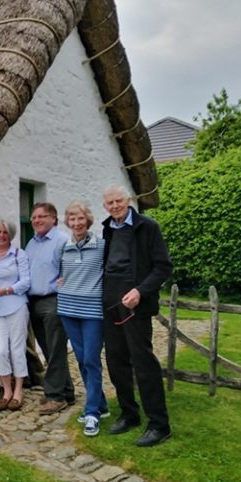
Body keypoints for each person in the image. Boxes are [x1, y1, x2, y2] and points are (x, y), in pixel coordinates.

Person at [102, 185, 172, 447]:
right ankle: (129, 413)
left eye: (119, 200)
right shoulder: (108, 228)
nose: (115, 206)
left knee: (143, 362)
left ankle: (159, 424)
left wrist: (141, 291)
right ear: (105, 206)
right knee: (116, 360)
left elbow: (163, 266)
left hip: (135, 303)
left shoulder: (147, 227)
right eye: (110, 202)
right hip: (110, 301)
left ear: (128, 200)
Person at [58, 202, 110, 436]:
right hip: (68, 309)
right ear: (67, 222)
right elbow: (58, 272)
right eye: (72, 219)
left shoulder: (101, 246)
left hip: (92, 312)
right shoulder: (64, 247)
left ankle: (91, 413)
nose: (76, 223)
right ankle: (102, 404)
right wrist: (59, 280)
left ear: (87, 220)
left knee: (91, 359)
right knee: (80, 359)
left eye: (80, 218)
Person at [26, 202, 75, 415]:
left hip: (53, 301)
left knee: (55, 349)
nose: (37, 220)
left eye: (42, 216)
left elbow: (71, 271)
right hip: (34, 302)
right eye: (34, 217)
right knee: (48, 348)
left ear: (53, 219)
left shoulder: (62, 240)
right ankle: (67, 391)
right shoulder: (32, 243)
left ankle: (55, 396)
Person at [0, 220, 31, 411]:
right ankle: (6, 390)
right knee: (1, 350)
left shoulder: (19, 254)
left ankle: (18, 390)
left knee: (17, 349)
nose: (1, 235)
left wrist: (3, 291)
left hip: (16, 306)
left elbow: (26, 282)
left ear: (11, 234)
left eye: (5, 232)